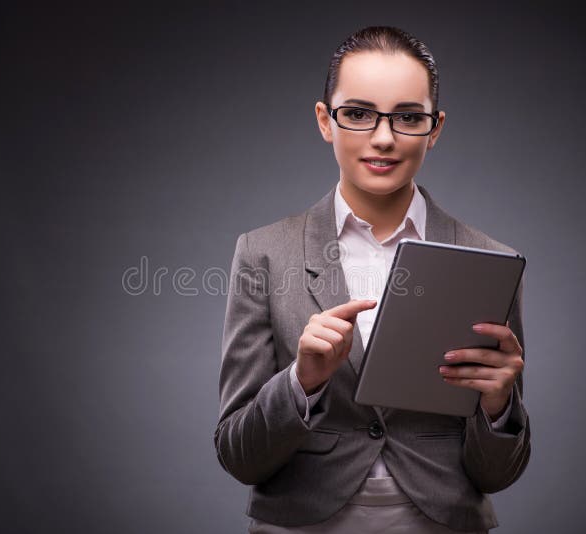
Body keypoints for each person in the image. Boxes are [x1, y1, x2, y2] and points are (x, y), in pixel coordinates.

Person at [215, 26, 530, 533]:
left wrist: (498, 406)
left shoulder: (490, 260)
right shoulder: (263, 252)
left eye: (408, 117)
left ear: (435, 128)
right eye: (358, 114)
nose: (383, 137)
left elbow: (497, 475)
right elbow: (239, 455)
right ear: (325, 121)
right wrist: (301, 381)